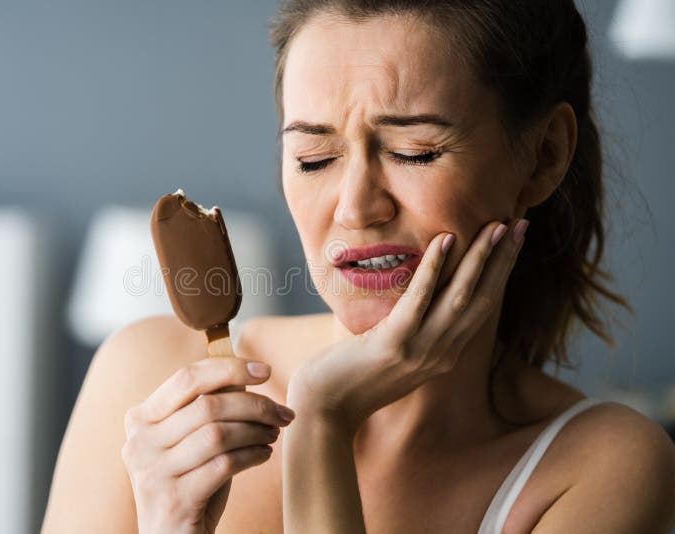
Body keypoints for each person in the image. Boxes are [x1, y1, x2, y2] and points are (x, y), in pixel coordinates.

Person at [41, 1, 675, 532]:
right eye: (314, 159)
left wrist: (323, 420)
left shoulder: (602, 466)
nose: (355, 209)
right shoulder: (146, 380)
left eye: (415, 152)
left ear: (543, 156)